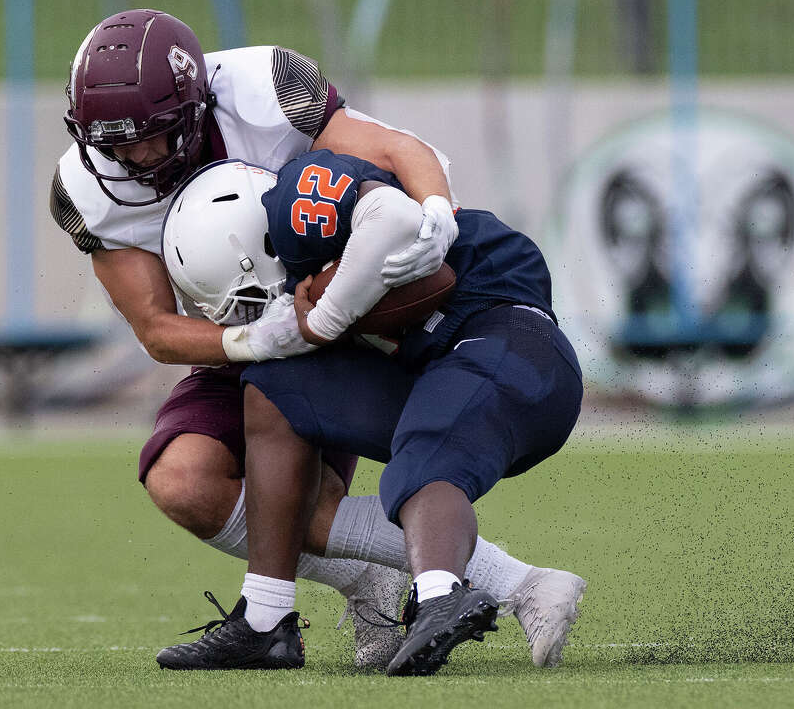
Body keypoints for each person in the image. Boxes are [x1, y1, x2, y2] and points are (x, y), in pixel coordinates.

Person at [50, 9, 579, 670]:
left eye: (148, 137)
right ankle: (341, 592)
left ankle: (480, 586)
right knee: (185, 479)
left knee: (353, 478)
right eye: (110, 143)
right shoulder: (85, 189)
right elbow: (157, 327)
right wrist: (255, 340)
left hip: (343, 291)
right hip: (236, 326)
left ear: (192, 108)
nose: (130, 158)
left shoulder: (262, 93)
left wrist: (435, 218)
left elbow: (397, 156)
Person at [154, 154, 584, 676]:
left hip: (511, 341)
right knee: (273, 390)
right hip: (434, 366)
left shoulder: (295, 204)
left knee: (425, 455)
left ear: (257, 249)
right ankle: (265, 619)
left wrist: (324, 320)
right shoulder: (294, 263)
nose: (250, 314)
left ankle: (439, 596)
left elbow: (398, 225)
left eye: (244, 297)